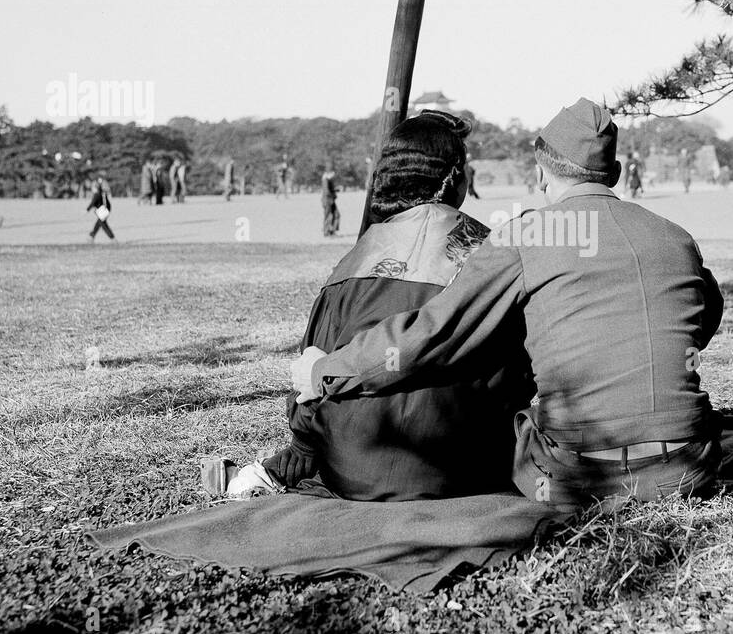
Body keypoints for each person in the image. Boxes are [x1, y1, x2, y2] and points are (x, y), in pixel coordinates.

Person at [292, 98, 725, 511]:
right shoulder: (675, 236)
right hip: (693, 467)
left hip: (573, 480)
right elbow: (701, 319)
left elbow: (432, 334)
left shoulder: (530, 234)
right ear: (613, 172)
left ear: (542, 174)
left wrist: (324, 371)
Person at [212, 110, 532, 501]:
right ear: (452, 177)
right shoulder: (489, 250)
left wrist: (301, 453)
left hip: (349, 467)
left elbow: (310, 379)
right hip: (457, 467)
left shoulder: (355, 260)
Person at [87, 177, 115, 241]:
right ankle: (92, 236)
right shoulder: (101, 192)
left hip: (104, 210)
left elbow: (93, 203)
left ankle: (112, 238)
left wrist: (87, 210)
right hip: (105, 209)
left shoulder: (97, 194)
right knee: (99, 223)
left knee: (103, 224)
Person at [320, 167, 339, 237]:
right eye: (332, 174)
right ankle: (327, 232)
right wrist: (333, 193)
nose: (333, 176)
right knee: (328, 216)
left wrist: (334, 191)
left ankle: (332, 231)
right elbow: (326, 192)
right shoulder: (325, 180)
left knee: (336, 215)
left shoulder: (328, 180)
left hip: (330, 200)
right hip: (328, 201)